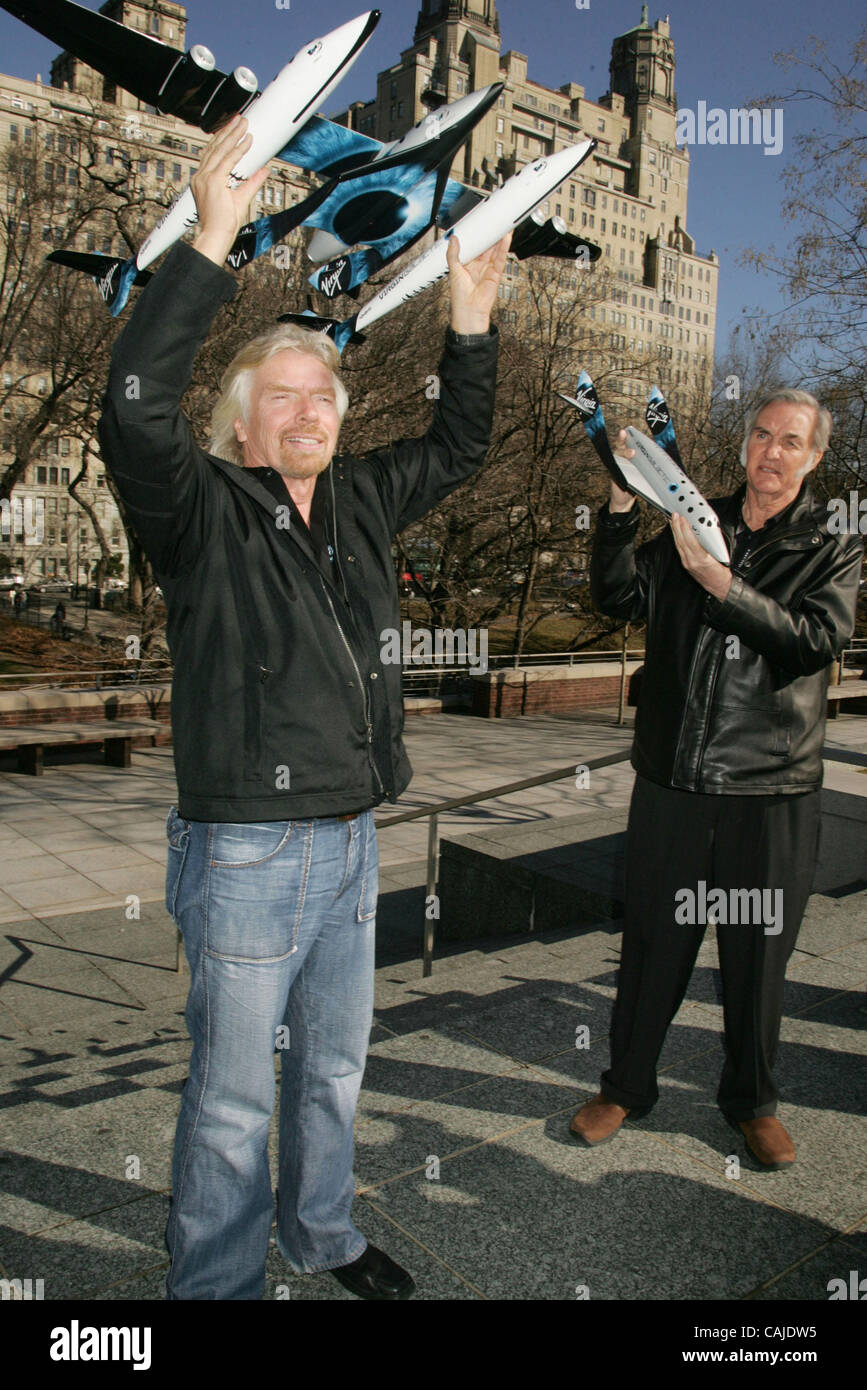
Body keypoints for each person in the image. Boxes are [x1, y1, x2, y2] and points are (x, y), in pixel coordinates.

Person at [98, 113, 508, 1300]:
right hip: (247, 848)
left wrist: (468, 310)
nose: (308, 413)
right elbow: (132, 403)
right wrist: (212, 239)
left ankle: (319, 1234)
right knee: (231, 1097)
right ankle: (216, 1285)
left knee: (332, 1068)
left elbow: (464, 441)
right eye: (279, 399)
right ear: (238, 424)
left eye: (321, 395)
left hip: (350, 835)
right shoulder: (203, 512)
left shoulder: (366, 498)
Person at [571, 391, 863, 1168]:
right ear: (745, 446)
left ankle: (752, 1102)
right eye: (760, 435)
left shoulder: (830, 547)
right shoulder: (688, 518)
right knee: (651, 948)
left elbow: (812, 642)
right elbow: (614, 598)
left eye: (789, 441)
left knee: (756, 956)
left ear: (811, 457)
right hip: (672, 781)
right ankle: (624, 1087)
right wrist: (616, 510)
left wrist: (722, 587)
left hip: (769, 792)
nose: (770, 452)